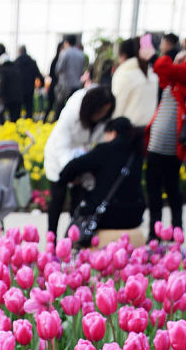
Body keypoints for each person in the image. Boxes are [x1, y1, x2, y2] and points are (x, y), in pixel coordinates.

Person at [44, 85, 115, 235]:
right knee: (58, 199)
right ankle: (52, 239)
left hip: (81, 160)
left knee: (78, 202)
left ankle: (73, 238)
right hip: (59, 158)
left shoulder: (103, 120)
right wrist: (71, 173)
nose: (102, 115)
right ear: (92, 108)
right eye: (100, 111)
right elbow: (61, 146)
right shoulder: (71, 113)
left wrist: (82, 171)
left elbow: (98, 146)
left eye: (105, 112)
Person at [58, 117, 145, 235]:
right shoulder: (136, 153)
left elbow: (71, 168)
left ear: (113, 133)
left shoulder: (105, 150)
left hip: (106, 217)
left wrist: (67, 181)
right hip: (134, 216)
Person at [147, 48, 186, 235]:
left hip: (172, 148)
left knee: (172, 191)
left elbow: (163, 66)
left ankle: (176, 232)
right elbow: (162, 72)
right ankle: (155, 232)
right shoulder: (172, 82)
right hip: (155, 145)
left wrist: (158, 56)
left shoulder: (181, 77)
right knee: (154, 192)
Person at [112, 38, 158, 131]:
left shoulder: (124, 74)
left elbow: (117, 107)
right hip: (149, 129)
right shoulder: (151, 74)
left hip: (128, 130)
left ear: (123, 56)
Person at [54, 35, 86, 115]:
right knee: (73, 108)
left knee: (60, 107)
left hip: (65, 85)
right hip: (76, 85)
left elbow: (58, 69)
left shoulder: (65, 53)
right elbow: (82, 71)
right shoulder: (81, 54)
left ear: (66, 42)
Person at [0, 44, 23, 122]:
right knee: (14, 119)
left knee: (0, 117)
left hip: (6, 98)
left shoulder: (2, 71)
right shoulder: (16, 69)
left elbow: (1, 85)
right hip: (17, 98)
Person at [15, 46, 42, 118]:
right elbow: (38, 74)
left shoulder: (16, 62)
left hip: (19, 88)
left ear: (19, 52)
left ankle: (17, 124)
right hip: (29, 88)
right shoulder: (32, 62)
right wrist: (41, 85)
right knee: (29, 108)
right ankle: (29, 123)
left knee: (17, 109)